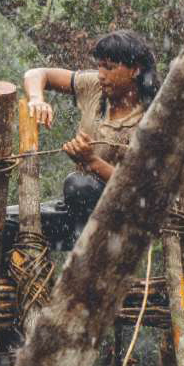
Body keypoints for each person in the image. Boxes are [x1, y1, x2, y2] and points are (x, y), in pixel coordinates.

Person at [21, 29, 160, 237]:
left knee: (79, 185)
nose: (102, 75)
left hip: (124, 221)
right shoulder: (96, 86)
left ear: (135, 70)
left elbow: (141, 190)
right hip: (79, 211)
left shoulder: (151, 121)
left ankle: (90, 261)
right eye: (100, 66)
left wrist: (92, 162)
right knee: (12, 225)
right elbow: (37, 74)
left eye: (110, 68)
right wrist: (36, 99)